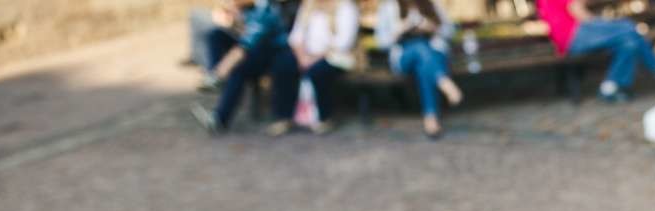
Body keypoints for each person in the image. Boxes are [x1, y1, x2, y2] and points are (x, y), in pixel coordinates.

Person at [536, 0, 655, 103]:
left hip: (568, 40)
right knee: (628, 27)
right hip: (576, 35)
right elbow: (579, 14)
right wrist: (602, 23)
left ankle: (610, 88)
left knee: (629, 44)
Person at [191, 0, 296, 135]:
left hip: (273, 54)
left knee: (238, 69)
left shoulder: (264, 11)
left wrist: (219, 73)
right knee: (215, 34)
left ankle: (219, 116)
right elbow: (242, 33)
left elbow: (245, 46)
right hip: (256, 48)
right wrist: (232, 20)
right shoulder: (244, 7)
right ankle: (215, 78)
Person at [374, 0, 463, 139]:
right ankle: (443, 81)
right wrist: (399, 30)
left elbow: (450, 31)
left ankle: (431, 119)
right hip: (404, 56)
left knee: (423, 66)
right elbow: (381, 42)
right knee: (420, 48)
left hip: (433, 51)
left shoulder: (433, 4)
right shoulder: (388, 7)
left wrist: (433, 28)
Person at [279, 0, 361, 134]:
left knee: (319, 71)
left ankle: (323, 116)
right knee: (283, 65)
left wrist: (313, 58)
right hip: (306, 54)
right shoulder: (308, 5)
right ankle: (284, 116)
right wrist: (302, 58)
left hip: (335, 56)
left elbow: (343, 42)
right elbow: (296, 37)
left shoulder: (346, 7)